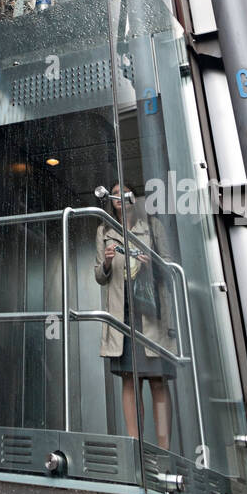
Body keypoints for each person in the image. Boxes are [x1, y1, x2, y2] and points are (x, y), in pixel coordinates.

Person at [94, 183, 176, 449]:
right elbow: (99, 276)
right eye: (114, 194)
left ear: (132, 198)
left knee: (157, 380)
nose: (118, 197)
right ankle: (134, 446)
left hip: (150, 313)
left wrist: (151, 262)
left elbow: (170, 270)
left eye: (123, 192)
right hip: (123, 314)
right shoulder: (104, 231)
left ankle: (164, 449)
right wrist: (106, 262)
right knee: (130, 379)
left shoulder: (152, 227)